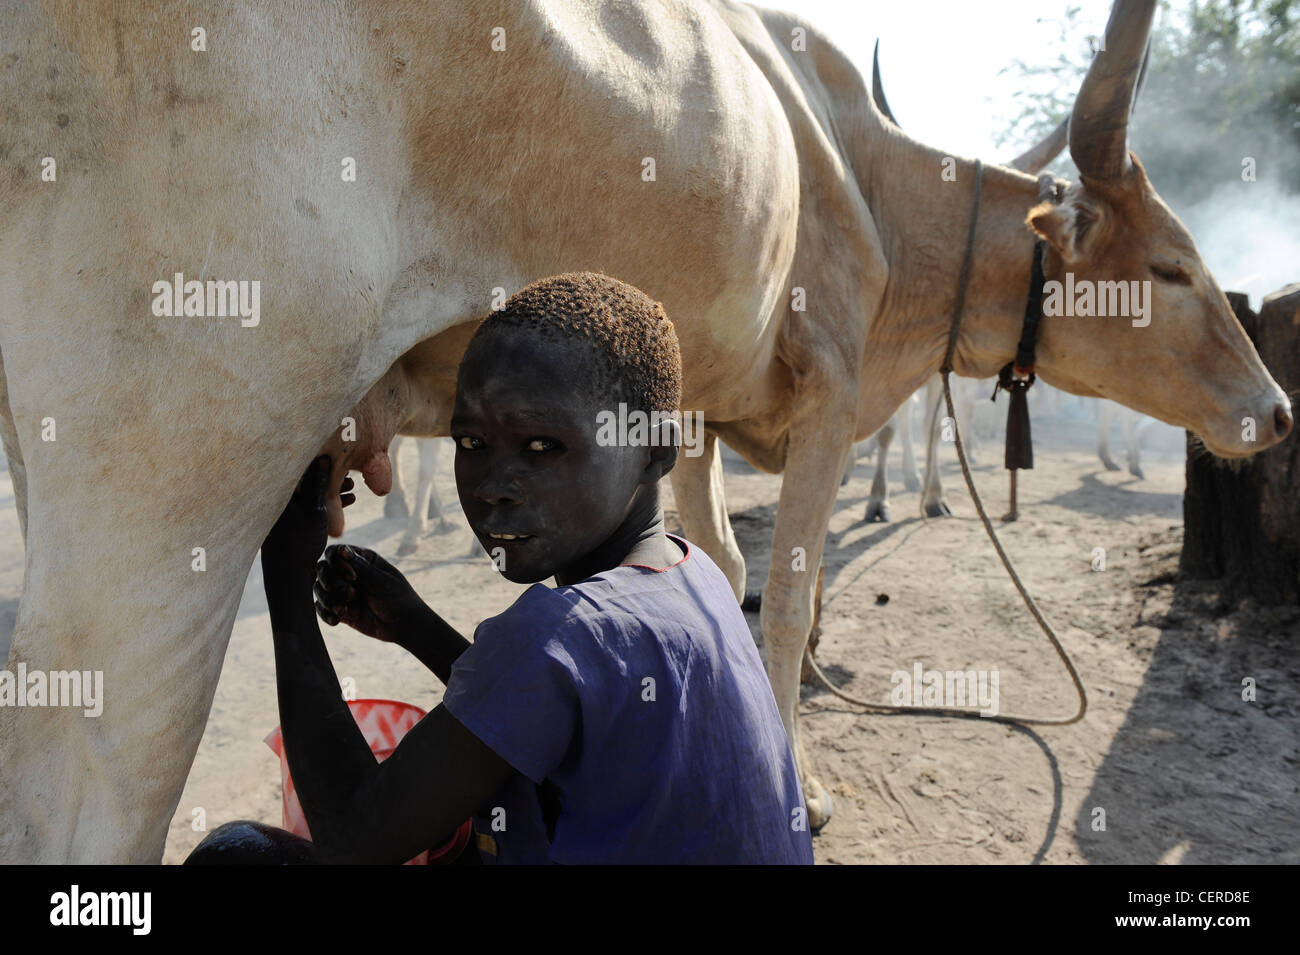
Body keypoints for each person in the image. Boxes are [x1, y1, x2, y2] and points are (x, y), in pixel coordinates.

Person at [187, 272, 813, 865]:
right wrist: (413, 624)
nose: (493, 486)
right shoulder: (690, 571)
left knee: (235, 855)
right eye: (471, 444)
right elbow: (557, 706)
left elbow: (354, 837)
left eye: (542, 447)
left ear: (655, 449)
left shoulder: (560, 632)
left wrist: (286, 587)